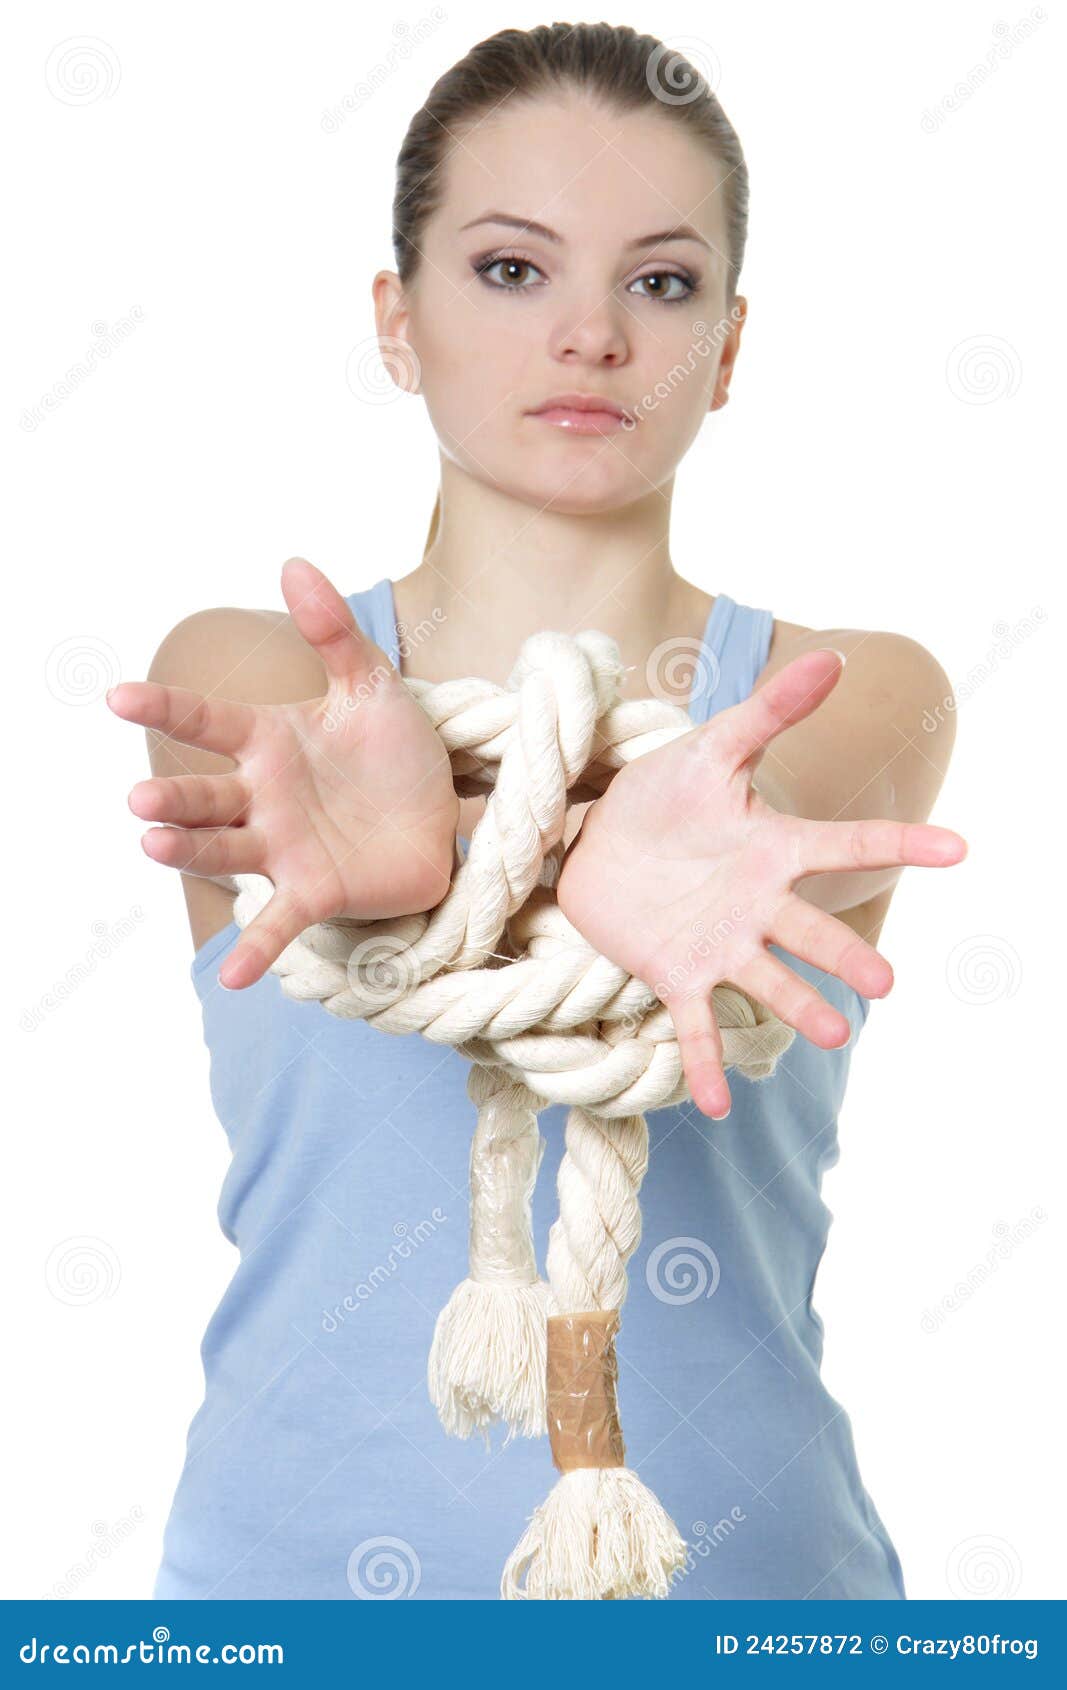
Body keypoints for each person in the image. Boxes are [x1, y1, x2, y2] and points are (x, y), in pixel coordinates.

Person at [107, 23, 966, 1600]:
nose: (589, 335)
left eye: (659, 281)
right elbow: (330, 782)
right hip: (287, 1610)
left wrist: (522, 861)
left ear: (727, 341)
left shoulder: (846, 693)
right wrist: (444, 865)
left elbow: (750, 806)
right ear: (397, 319)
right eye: (512, 270)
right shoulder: (252, 676)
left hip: (753, 1609)